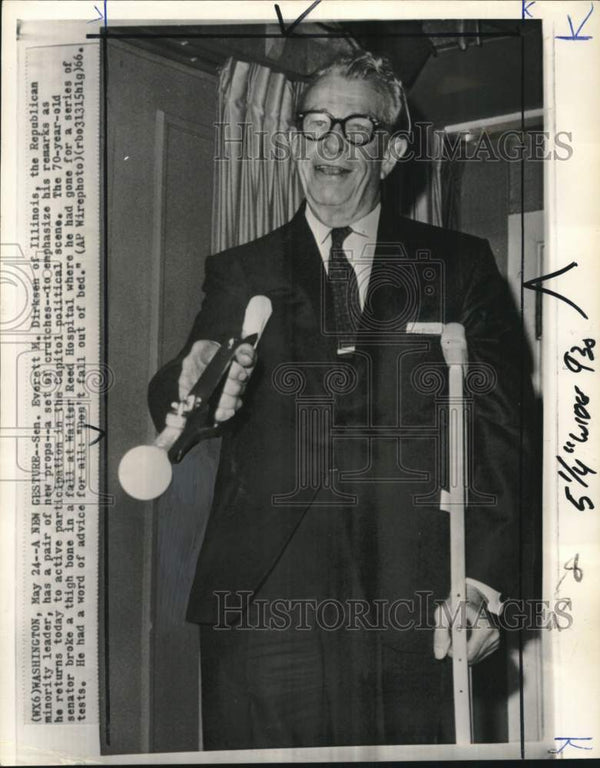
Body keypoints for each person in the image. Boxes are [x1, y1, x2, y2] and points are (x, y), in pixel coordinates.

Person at [148, 51, 532, 749]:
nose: (330, 143)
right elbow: (190, 380)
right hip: (264, 598)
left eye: (356, 129)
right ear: (294, 140)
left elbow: (498, 433)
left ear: (388, 153)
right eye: (316, 124)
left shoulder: (460, 266)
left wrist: (478, 584)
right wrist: (193, 383)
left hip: (414, 595)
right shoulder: (242, 270)